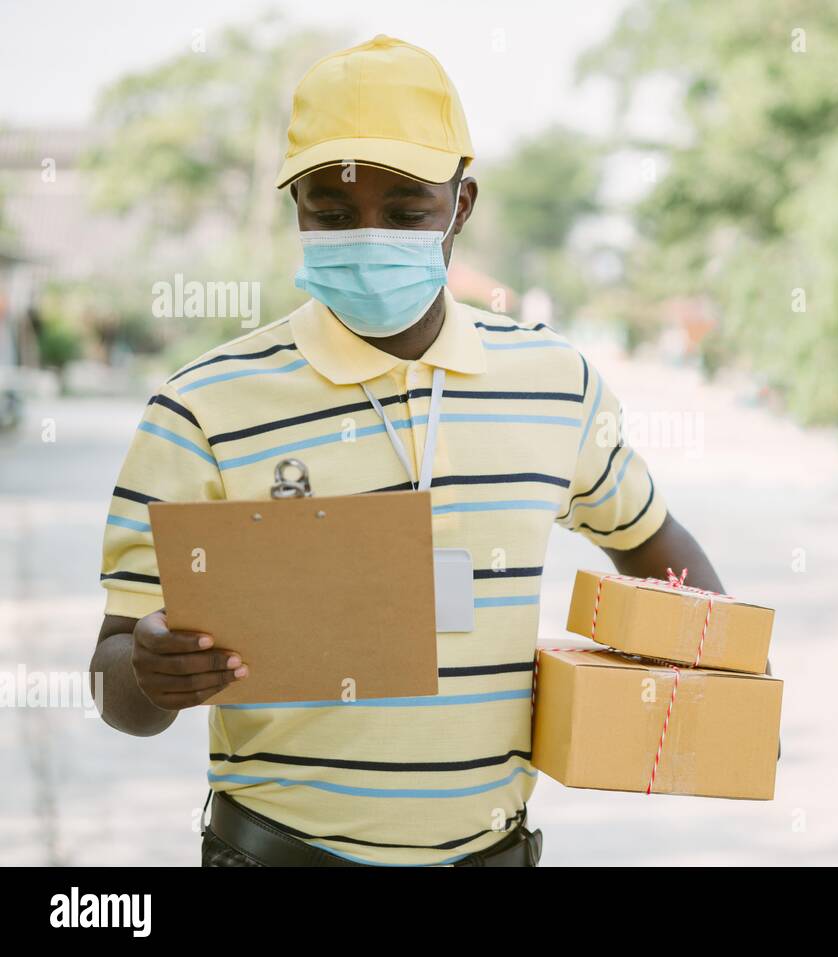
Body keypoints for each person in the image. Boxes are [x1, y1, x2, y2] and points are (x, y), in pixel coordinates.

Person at [89, 34, 728, 867]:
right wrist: (149, 673)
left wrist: (727, 693)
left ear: (461, 206)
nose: (366, 234)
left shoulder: (554, 383)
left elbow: (655, 546)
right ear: (295, 211)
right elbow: (114, 688)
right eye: (331, 210)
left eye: (403, 212)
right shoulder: (200, 408)